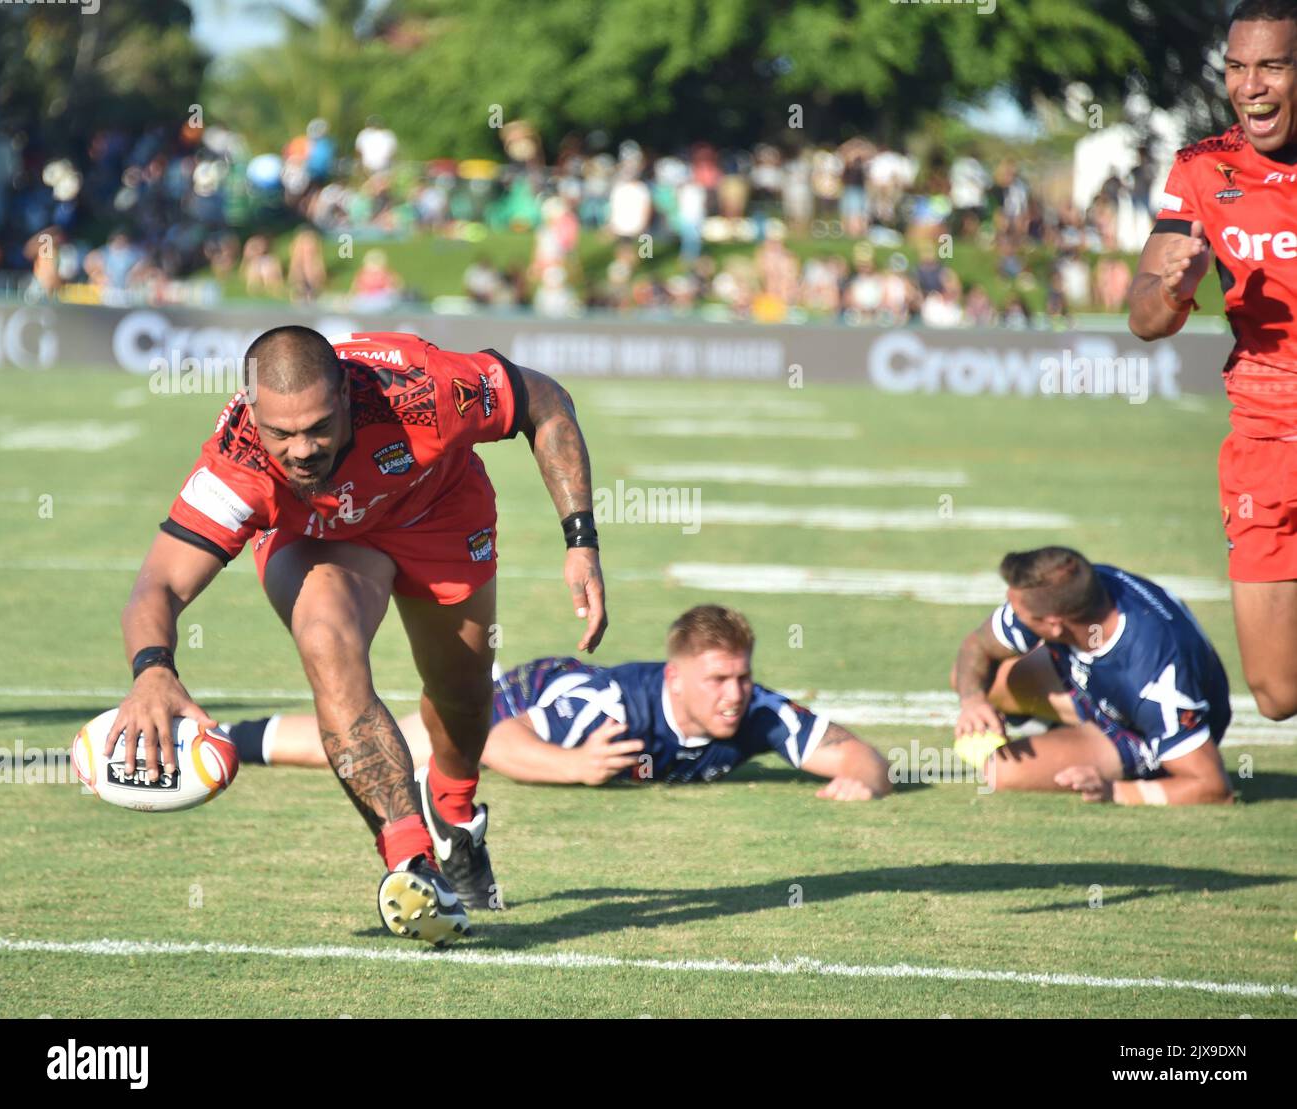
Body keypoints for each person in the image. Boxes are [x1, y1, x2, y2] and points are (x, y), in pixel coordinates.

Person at [105, 327, 607, 944]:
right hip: (320, 538)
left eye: (317, 426)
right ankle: (411, 861)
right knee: (326, 641)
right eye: (280, 433)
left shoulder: (424, 388)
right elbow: (158, 584)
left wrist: (581, 541)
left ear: (345, 393)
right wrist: (154, 669)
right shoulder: (237, 458)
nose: (301, 450)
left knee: (463, 690)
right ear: (251, 409)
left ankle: (452, 815)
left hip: (438, 510)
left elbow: (547, 402)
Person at [224, 606, 892, 801]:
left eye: (741, 677)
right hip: (526, 697)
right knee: (381, 748)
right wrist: (574, 767)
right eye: (718, 679)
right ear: (678, 674)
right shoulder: (609, 708)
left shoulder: (758, 711)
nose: (735, 693)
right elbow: (501, 739)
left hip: (553, 701)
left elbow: (865, 757)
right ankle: (225, 736)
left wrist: (859, 780)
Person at [1130, 0, 1297, 721]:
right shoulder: (1203, 171)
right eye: (1236, 67)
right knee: (1277, 691)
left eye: (1272, 66)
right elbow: (1142, 317)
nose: (1251, 84)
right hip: (1262, 431)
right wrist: (1176, 287)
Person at [952, 547, 1233, 805]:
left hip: (1137, 730)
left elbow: (1212, 786)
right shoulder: (1076, 590)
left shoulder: (1156, 678)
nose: (1010, 612)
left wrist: (1117, 792)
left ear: (1054, 626)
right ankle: (1060, 732)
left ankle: (1090, 749)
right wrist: (973, 700)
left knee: (1002, 771)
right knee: (974, 679)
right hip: (1092, 681)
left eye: (1018, 611)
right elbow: (978, 646)